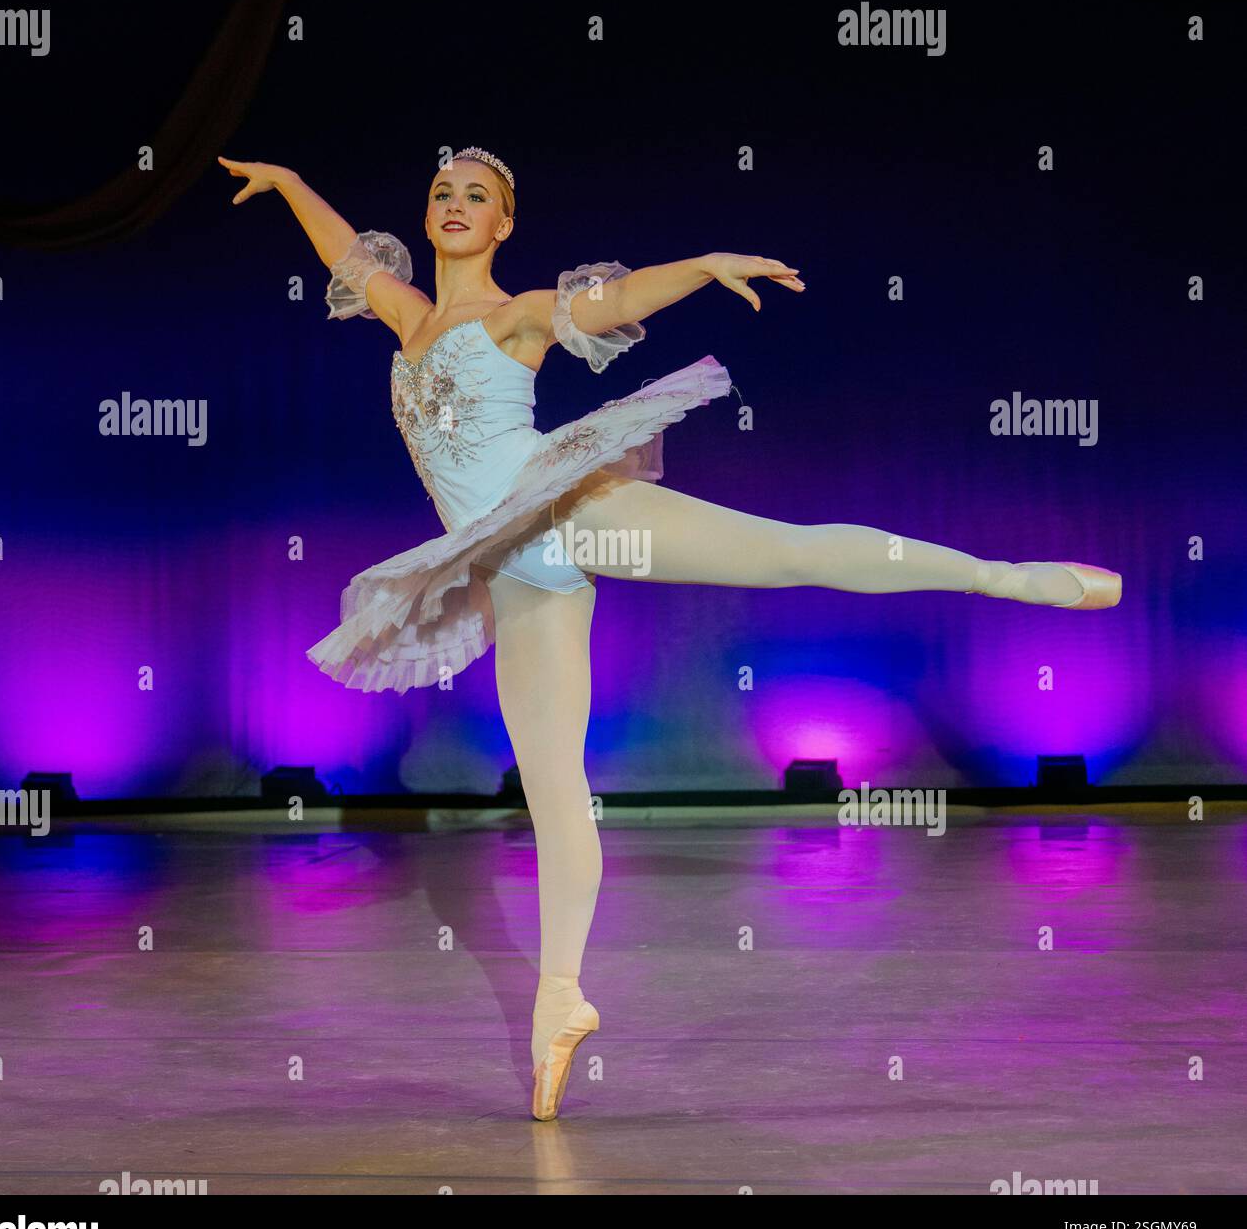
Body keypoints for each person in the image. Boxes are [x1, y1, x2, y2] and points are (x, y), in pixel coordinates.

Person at [220, 146, 1121, 1120]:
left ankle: (1007, 576)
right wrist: (289, 184)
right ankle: (560, 1000)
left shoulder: (513, 314)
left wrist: (701, 265)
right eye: (441, 190)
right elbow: (348, 256)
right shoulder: (407, 317)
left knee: (787, 551)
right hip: (517, 575)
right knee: (556, 794)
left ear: (504, 223)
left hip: (564, 511)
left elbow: (607, 306)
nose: (453, 204)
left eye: (476, 196)